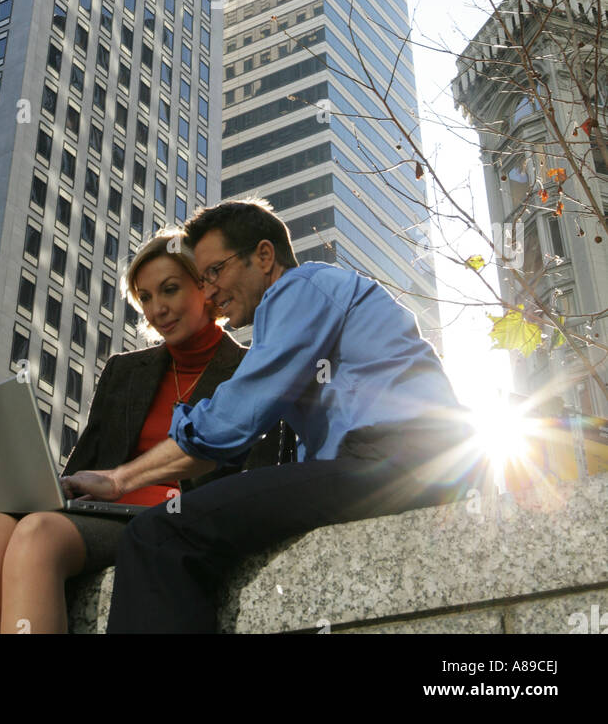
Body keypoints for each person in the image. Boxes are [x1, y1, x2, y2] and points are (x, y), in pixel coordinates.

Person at [61, 198, 490, 634]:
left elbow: (229, 425)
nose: (208, 292)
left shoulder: (300, 289)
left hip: (397, 461)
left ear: (264, 256)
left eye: (215, 272)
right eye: (203, 279)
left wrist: (120, 480)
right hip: (396, 464)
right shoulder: (299, 311)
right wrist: (121, 481)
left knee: (158, 535)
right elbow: (221, 447)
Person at [0, 226, 291, 634]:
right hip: (103, 515)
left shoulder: (252, 369)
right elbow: (84, 465)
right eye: (146, 297)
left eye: (170, 289)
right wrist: (31, 493)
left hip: (174, 523)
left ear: (205, 287)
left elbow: (259, 481)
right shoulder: (125, 371)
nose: (157, 308)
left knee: (37, 534)